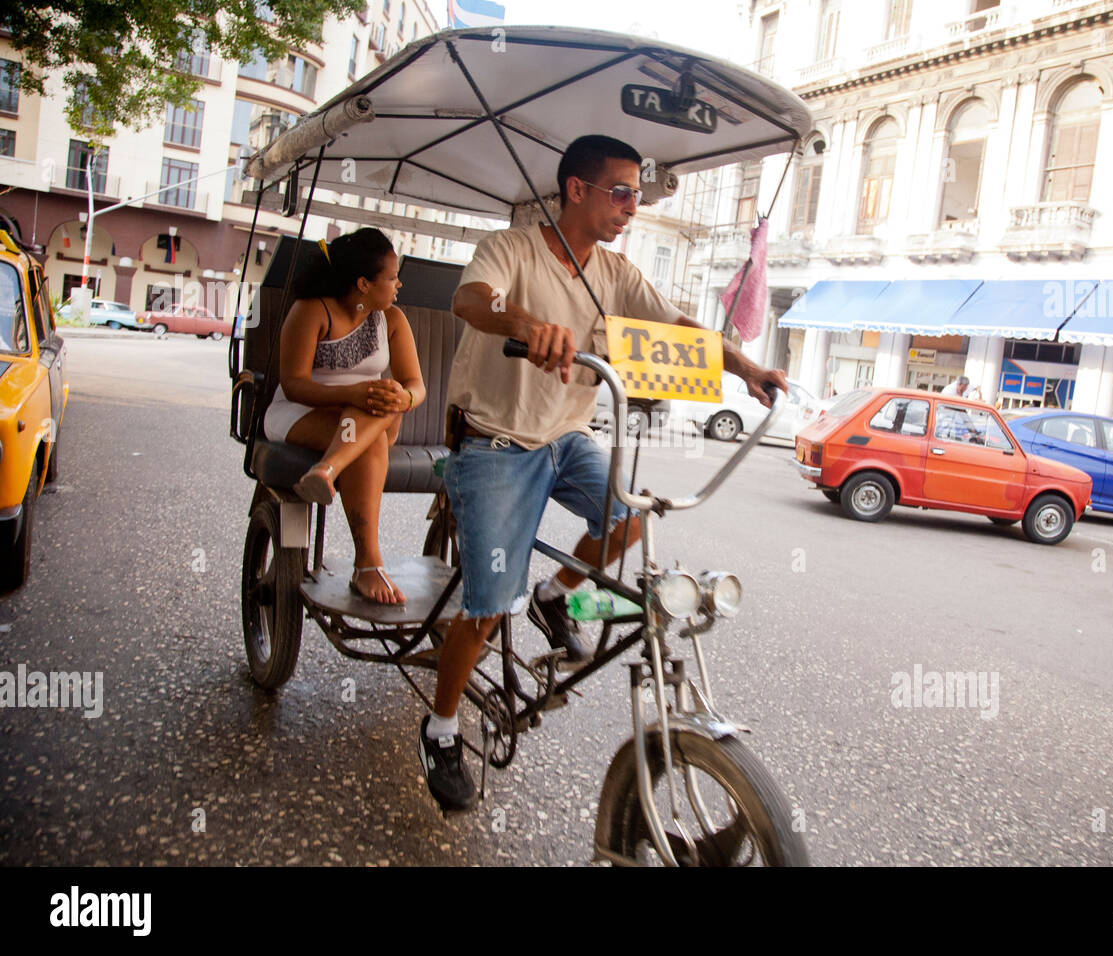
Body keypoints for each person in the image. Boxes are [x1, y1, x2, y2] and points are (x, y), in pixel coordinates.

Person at [417, 134, 788, 810]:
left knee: (633, 519)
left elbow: (682, 329)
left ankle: (556, 595)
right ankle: (440, 729)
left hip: (567, 437)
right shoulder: (514, 249)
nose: (631, 207)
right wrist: (527, 324)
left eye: (637, 196)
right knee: (488, 607)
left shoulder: (616, 273)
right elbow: (471, 300)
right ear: (576, 190)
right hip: (496, 442)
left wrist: (750, 370)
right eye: (620, 192)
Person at [262, 227, 426, 604]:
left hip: (369, 418)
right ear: (363, 283)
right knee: (370, 429)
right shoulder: (312, 310)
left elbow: (415, 383)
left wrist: (404, 398)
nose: (399, 284)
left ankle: (327, 470)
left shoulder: (393, 320)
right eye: (391, 277)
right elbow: (294, 384)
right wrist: (355, 392)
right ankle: (367, 565)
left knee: (378, 401)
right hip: (302, 412)